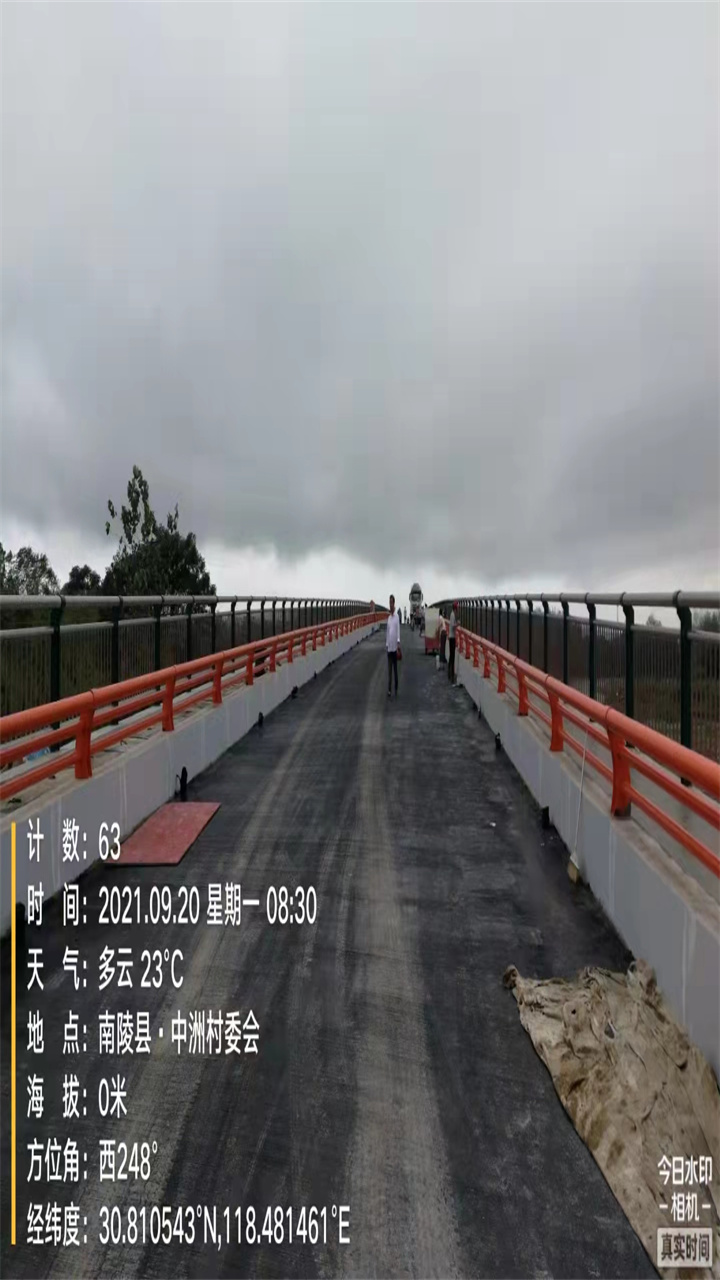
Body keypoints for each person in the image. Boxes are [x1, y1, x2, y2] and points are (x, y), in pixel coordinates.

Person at [386, 594, 401, 697]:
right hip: (389, 647)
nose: (390, 604)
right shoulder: (388, 618)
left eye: (391, 602)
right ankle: (389, 689)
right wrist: (386, 644)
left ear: (394, 603)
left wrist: (398, 642)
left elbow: (398, 631)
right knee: (389, 670)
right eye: (389, 602)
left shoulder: (396, 617)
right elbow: (387, 632)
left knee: (395, 669)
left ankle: (396, 686)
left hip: (395, 647)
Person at [448, 601, 457, 682]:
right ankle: (451, 675)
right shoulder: (453, 615)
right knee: (452, 656)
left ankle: (449, 673)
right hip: (452, 637)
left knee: (451, 656)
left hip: (451, 637)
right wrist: (458, 624)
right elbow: (453, 626)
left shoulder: (451, 614)